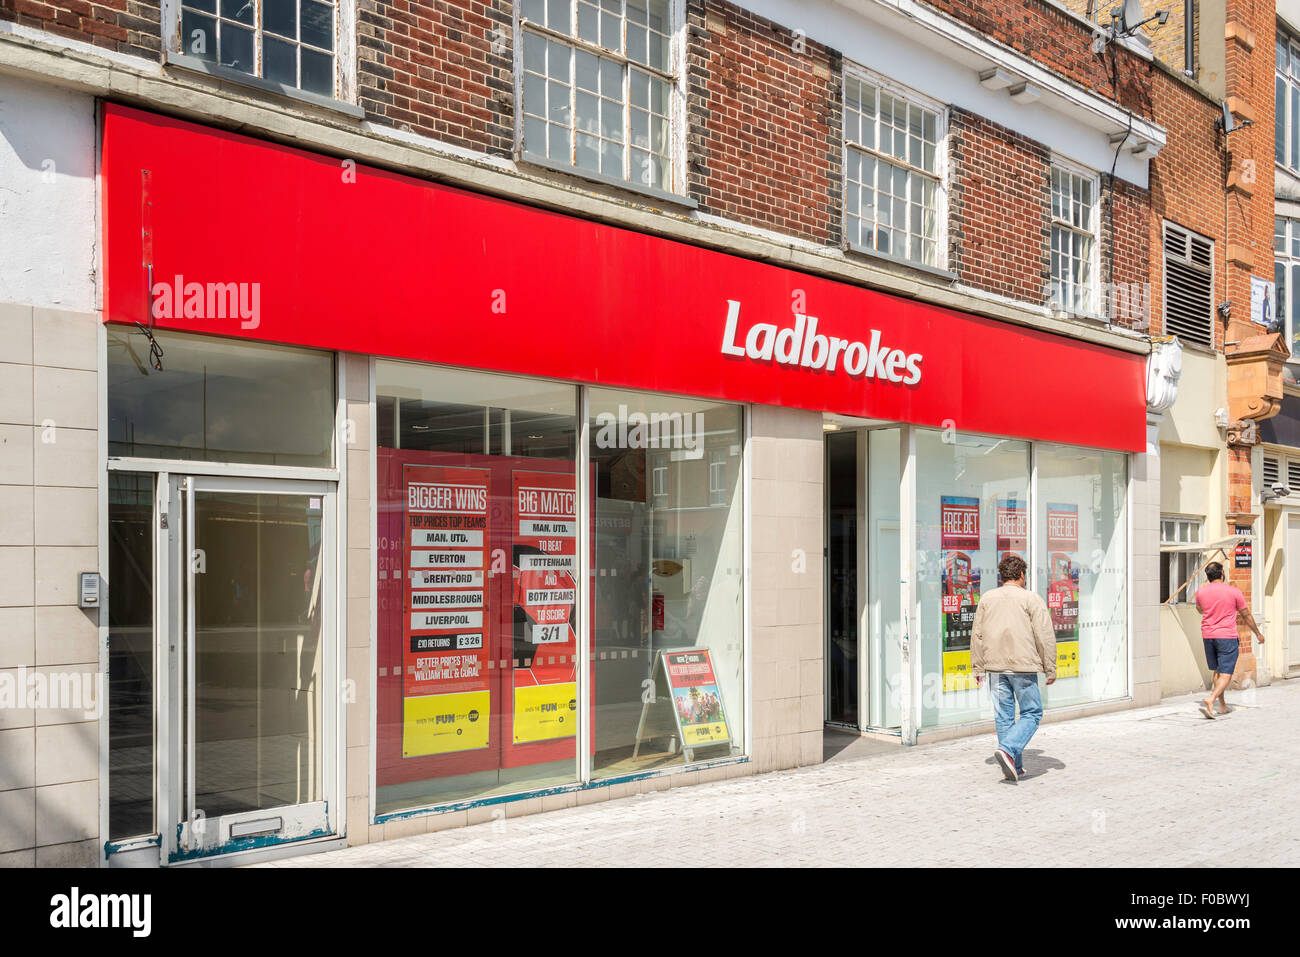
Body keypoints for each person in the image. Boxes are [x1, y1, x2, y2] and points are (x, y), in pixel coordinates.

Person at [972, 554, 1056, 783]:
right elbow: (1044, 636)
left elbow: (977, 635)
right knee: (1032, 712)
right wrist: (1050, 668)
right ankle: (1008, 749)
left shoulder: (987, 599)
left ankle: (1014, 767)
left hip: (995, 668)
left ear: (1001, 576)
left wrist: (978, 668)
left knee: (1004, 717)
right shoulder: (1031, 599)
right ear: (1021, 575)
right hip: (1023, 667)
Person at [1193, 562, 1264, 719]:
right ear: (1222, 574)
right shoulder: (1233, 592)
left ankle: (1223, 706)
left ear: (1208, 576)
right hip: (1227, 636)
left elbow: (1200, 609)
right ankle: (1211, 699)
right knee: (1226, 674)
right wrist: (1258, 633)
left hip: (1208, 635)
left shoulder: (1200, 592)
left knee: (1217, 670)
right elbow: (1246, 615)